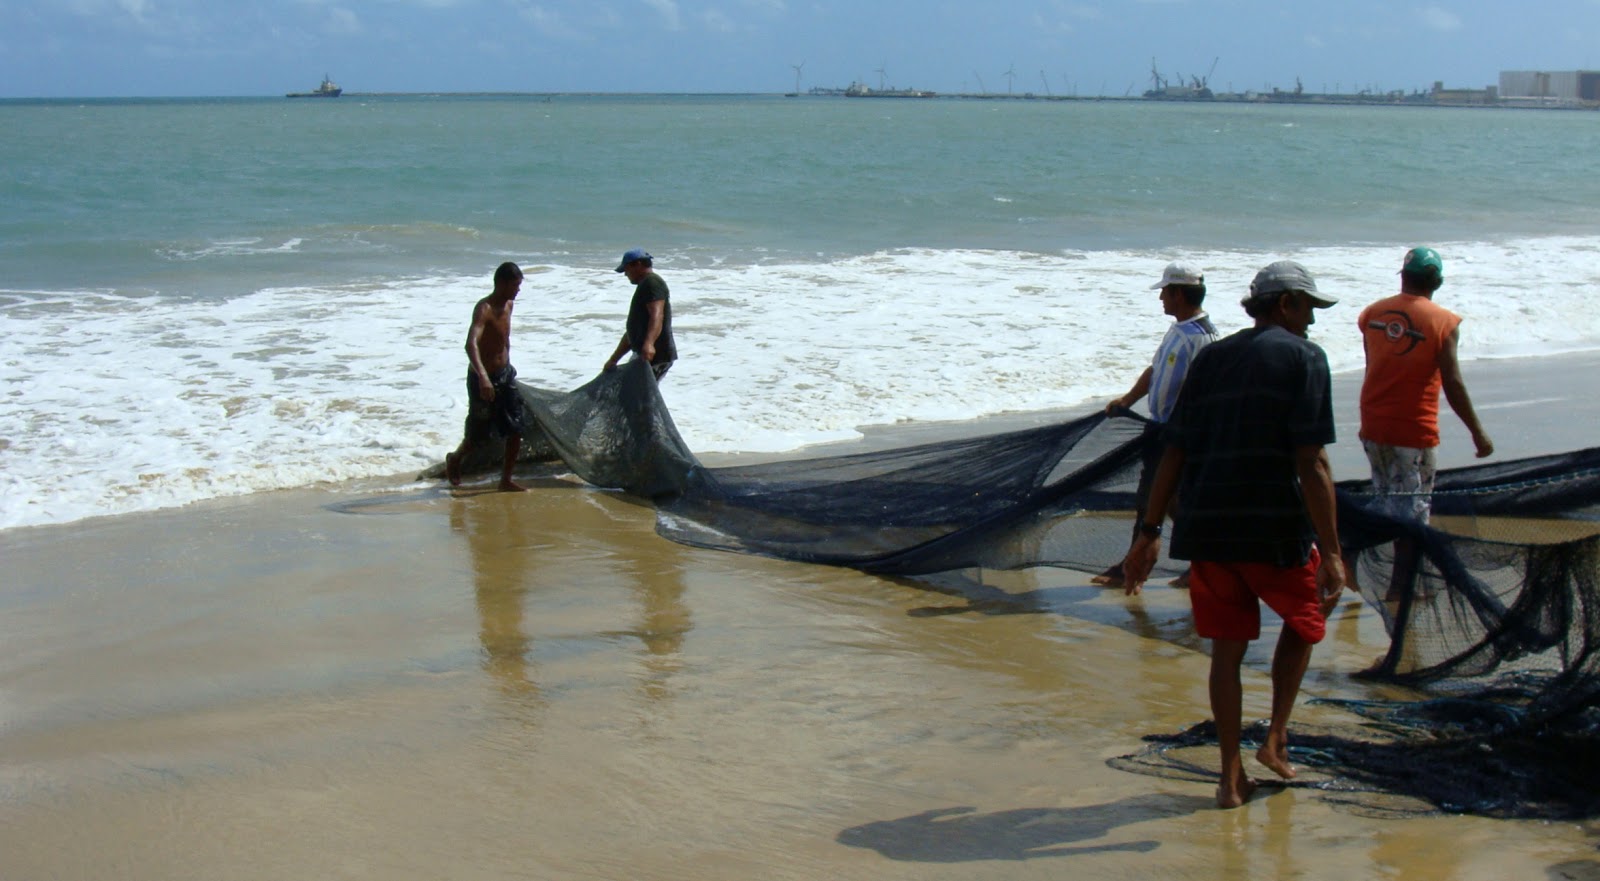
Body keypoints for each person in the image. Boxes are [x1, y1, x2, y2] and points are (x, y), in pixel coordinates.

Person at [1122, 260, 1347, 809]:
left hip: (1208, 527)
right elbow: (1312, 461)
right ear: (1286, 303)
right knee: (1307, 621)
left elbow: (1175, 449)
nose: (1312, 321)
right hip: (1274, 528)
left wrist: (1149, 532)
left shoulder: (1213, 357)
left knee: (1226, 652)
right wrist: (1333, 551)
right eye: (1308, 308)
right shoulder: (1305, 357)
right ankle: (1275, 737)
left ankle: (1230, 779)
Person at [1094, 262, 1220, 588]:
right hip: (1161, 429)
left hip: (1179, 435)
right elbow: (1155, 371)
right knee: (1170, 501)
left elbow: (1207, 390)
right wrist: (1128, 400)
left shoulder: (1202, 338)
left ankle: (1133, 567)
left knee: (1153, 499)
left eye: (1165, 292)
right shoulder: (1179, 331)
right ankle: (1203, 563)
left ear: (1179, 294)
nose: (1161, 298)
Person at [1357, 246, 1494, 523]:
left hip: (1374, 425)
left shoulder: (1372, 314)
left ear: (1403, 277)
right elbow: (1452, 383)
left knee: (1384, 500)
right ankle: (1404, 554)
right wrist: (1478, 433)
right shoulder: (1443, 323)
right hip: (1414, 431)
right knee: (1414, 513)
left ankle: (1377, 550)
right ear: (1437, 283)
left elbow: (1374, 367)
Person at [444, 261, 527, 492]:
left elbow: (504, 339)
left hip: (504, 374)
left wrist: (507, 365)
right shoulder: (485, 309)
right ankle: (455, 458)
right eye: (515, 285)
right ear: (501, 283)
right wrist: (483, 377)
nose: (518, 290)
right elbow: (471, 344)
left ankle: (505, 480)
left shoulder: (509, 305)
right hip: (482, 378)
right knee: (478, 436)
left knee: (516, 428)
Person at [603, 248, 677, 380]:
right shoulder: (645, 285)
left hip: (655, 355)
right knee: (629, 390)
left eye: (626, 269)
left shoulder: (652, 283)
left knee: (637, 392)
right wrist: (614, 359)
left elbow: (657, 315)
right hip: (644, 354)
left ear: (638, 264)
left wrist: (649, 344)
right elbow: (633, 332)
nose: (626, 274)